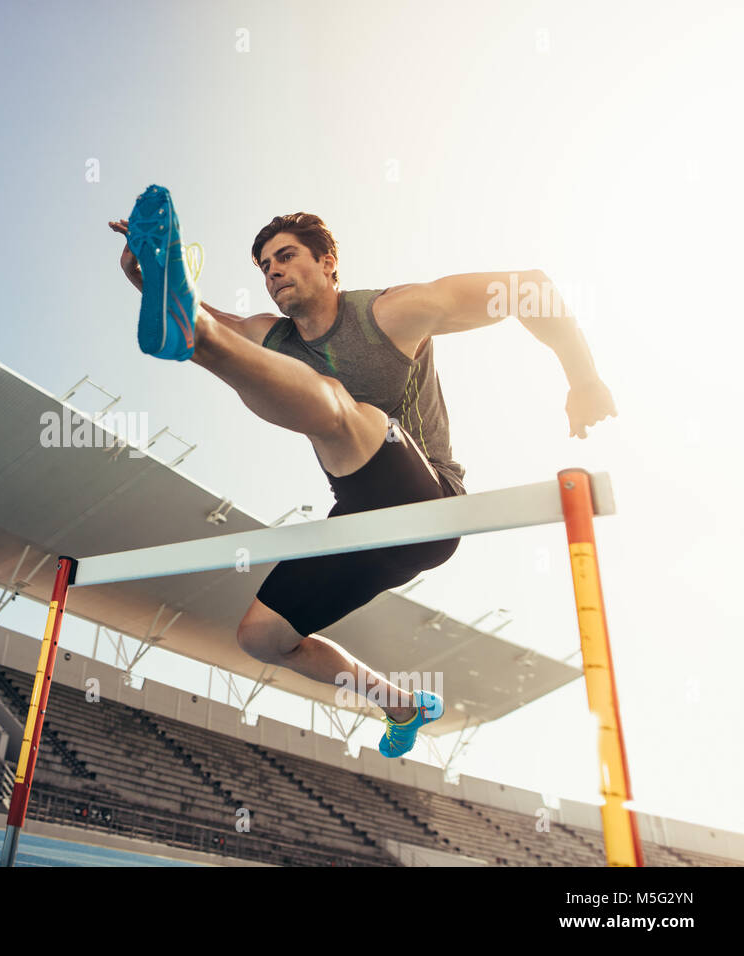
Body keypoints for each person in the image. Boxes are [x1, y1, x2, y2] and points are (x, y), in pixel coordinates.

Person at [109, 184, 617, 757]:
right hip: (362, 521)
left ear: (327, 263)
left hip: (429, 506)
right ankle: (400, 704)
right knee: (261, 637)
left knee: (346, 409)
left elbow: (529, 288)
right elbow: (203, 310)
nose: (274, 272)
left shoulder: (391, 313)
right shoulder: (267, 335)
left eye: (287, 256)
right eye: (265, 266)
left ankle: (195, 338)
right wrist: (145, 273)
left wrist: (583, 378)